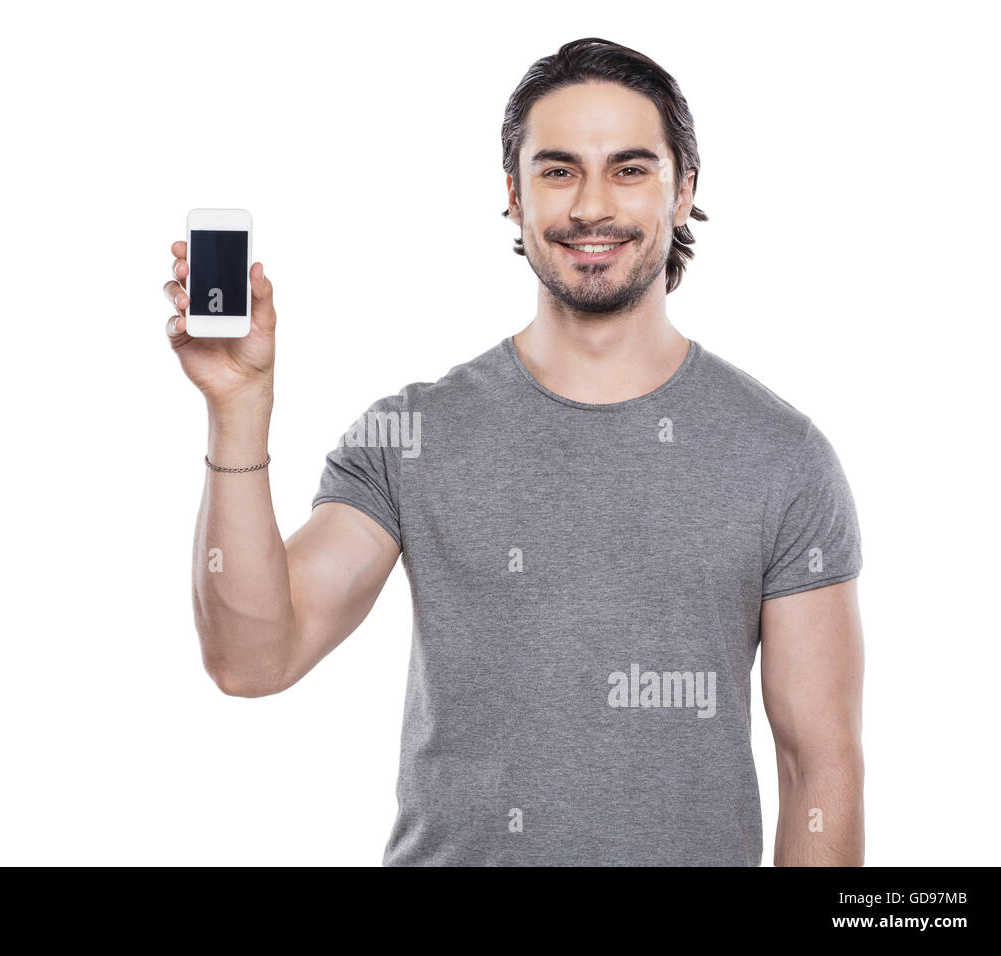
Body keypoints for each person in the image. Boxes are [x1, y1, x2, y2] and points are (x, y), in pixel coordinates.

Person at [164, 37, 865, 866]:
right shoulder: (408, 437)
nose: (591, 206)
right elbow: (252, 660)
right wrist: (239, 410)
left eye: (631, 169)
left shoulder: (781, 457)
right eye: (558, 170)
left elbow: (817, 766)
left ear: (683, 194)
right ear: (513, 194)